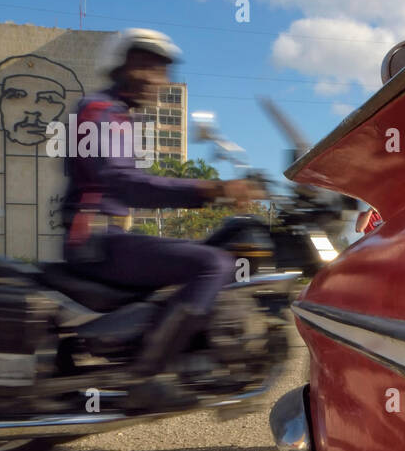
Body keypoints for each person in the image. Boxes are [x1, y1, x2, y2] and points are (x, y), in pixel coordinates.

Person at [60, 28, 264, 407]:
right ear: (121, 66)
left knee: (200, 255)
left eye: (162, 71)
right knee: (214, 264)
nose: (159, 80)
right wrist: (212, 190)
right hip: (96, 241)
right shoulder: (99, 111)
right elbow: (125, 184)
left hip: (104, 239)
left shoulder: (116, 115)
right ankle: (149, 375)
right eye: (149, 67)